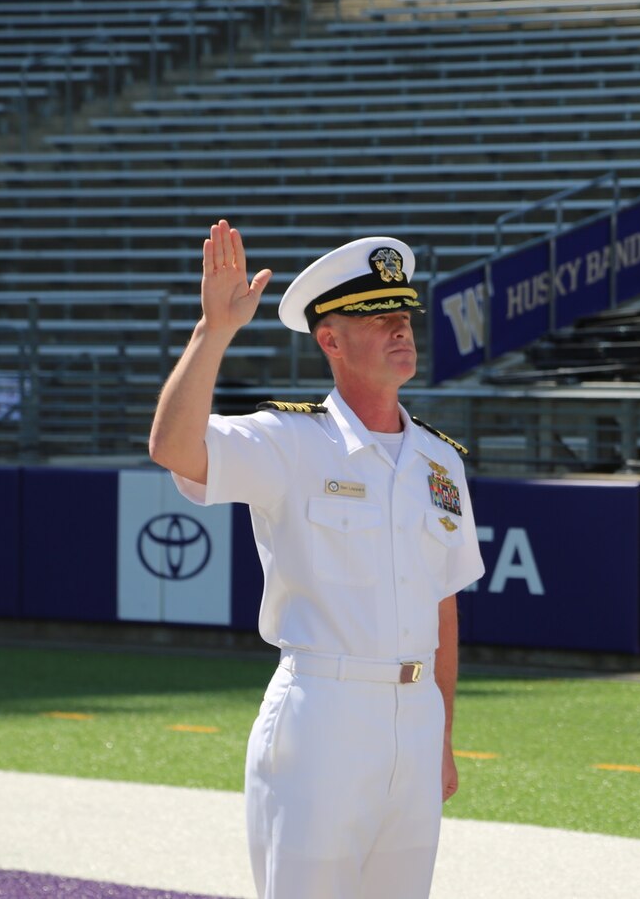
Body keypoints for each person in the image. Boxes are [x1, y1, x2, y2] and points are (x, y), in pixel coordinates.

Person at [148, 221, 485, 899]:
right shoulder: (290, 441)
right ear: (329, 339)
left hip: (414, 719)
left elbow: (441, 603)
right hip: (322, 717)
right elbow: (173, 448)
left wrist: (441, 731)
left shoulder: (439, 460)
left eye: (403, 314)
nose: (399, 327)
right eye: (377, 317)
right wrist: (212, 331)